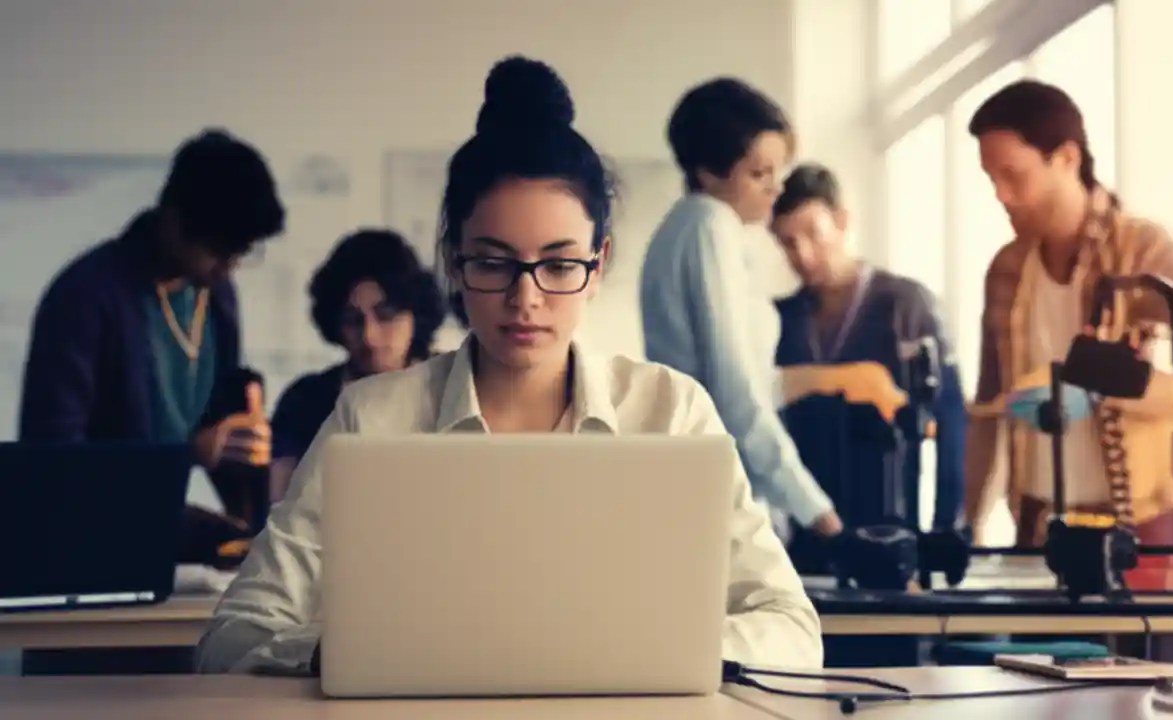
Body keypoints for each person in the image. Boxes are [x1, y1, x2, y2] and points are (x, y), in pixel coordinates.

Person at [195, 56, 823, 674]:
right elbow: (232, 637)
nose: (526, 300)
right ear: (454, 260)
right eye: (494, 263)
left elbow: (791, 627)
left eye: (558, 264)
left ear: (598, 265)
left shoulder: (669, 412)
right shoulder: (373, 417)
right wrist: (346, 653)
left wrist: (653, 648)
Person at [963, 80, 1173, 587]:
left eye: (1014, 176)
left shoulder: (1144, 251)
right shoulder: (1007, 269)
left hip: (1141, 525)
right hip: (1040, 526)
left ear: (1067, 158)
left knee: (1138, 668)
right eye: (991, 179)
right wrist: (965, 531)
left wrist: (1085, 388)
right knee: (1032, 666)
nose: (1001, 196)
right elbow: (989, 409)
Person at [19, 128, 284, 529]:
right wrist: (187, 454)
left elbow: (216, 428)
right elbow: (52, 463)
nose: (229, 267)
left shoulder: (216, 296)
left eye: (241, 252)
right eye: (218, 249)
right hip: (87, 544)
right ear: (173, 221)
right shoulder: (86, 296)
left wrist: (243, 452)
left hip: (152, 534)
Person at [639, 78, 843, 546]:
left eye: (778, 171)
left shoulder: (689, 226)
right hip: (716, 497)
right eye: (759, 173)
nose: (776, 188)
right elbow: (735, 393)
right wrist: (820, 514)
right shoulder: (709, 224)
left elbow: (747, 382)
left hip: (709, 487)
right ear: (710, 173)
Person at [770, 164, 967, 571]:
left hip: (894, 525)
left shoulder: (906, 305)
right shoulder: (780, 319)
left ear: (841, 222)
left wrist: (950, 529)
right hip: (808, 531)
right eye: (788, 242)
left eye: (813, 235)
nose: (803, 255)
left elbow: (951, 422)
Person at [268, 229, 446, 501]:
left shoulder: (454, 386)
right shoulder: (304, 401)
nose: (369, 337)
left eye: (386, 316)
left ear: (416, 314)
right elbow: (279, 504)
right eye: (353, 320)